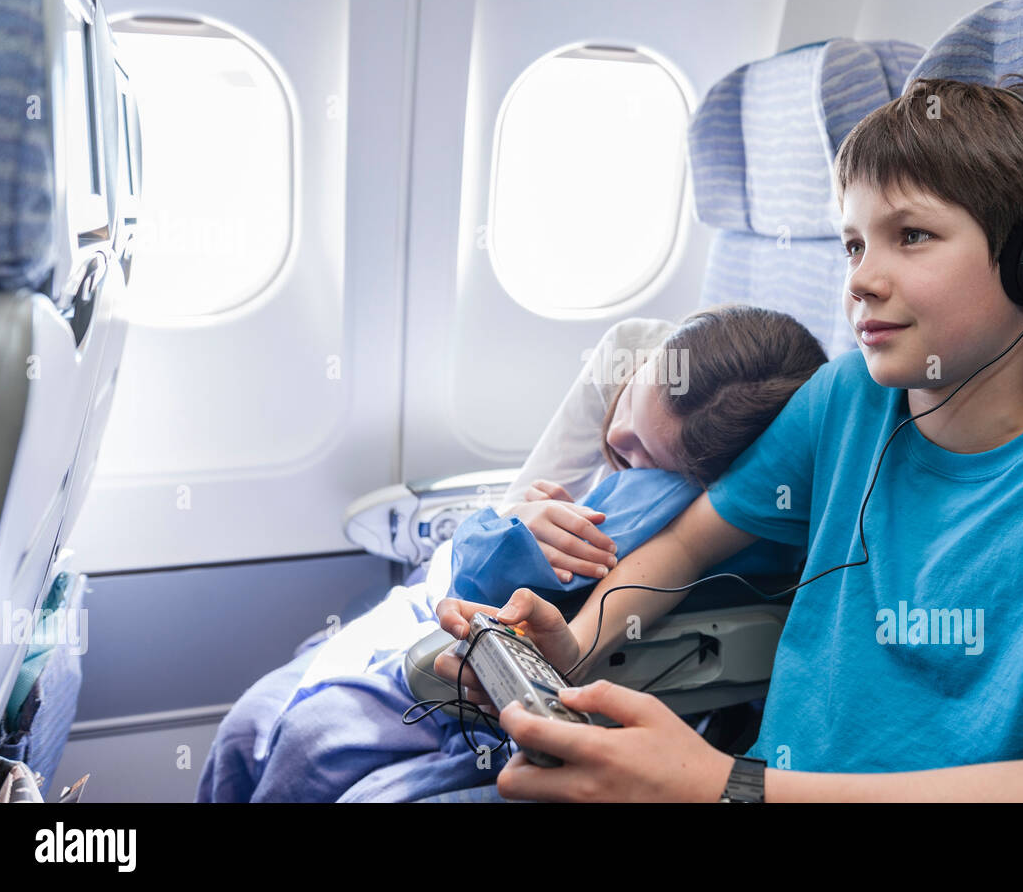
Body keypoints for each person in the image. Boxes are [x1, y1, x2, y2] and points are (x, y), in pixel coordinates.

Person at [432, 76, 1023, 802]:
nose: (859, 280)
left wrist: (732, 787)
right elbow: (681, 550)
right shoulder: (846, 401)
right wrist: (575, 644)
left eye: (911, 236)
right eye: (853, 243)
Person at [195, 304, 828, 802]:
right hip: (445, 583)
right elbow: (517, 499)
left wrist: (513, 542)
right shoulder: (637, 350)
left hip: (485, 612)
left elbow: (514, 577)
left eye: (644, 461)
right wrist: (518, 515)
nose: (616, 440)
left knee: (299, 745)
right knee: (246, 731)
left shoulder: (701, 499)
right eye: (630, 407)